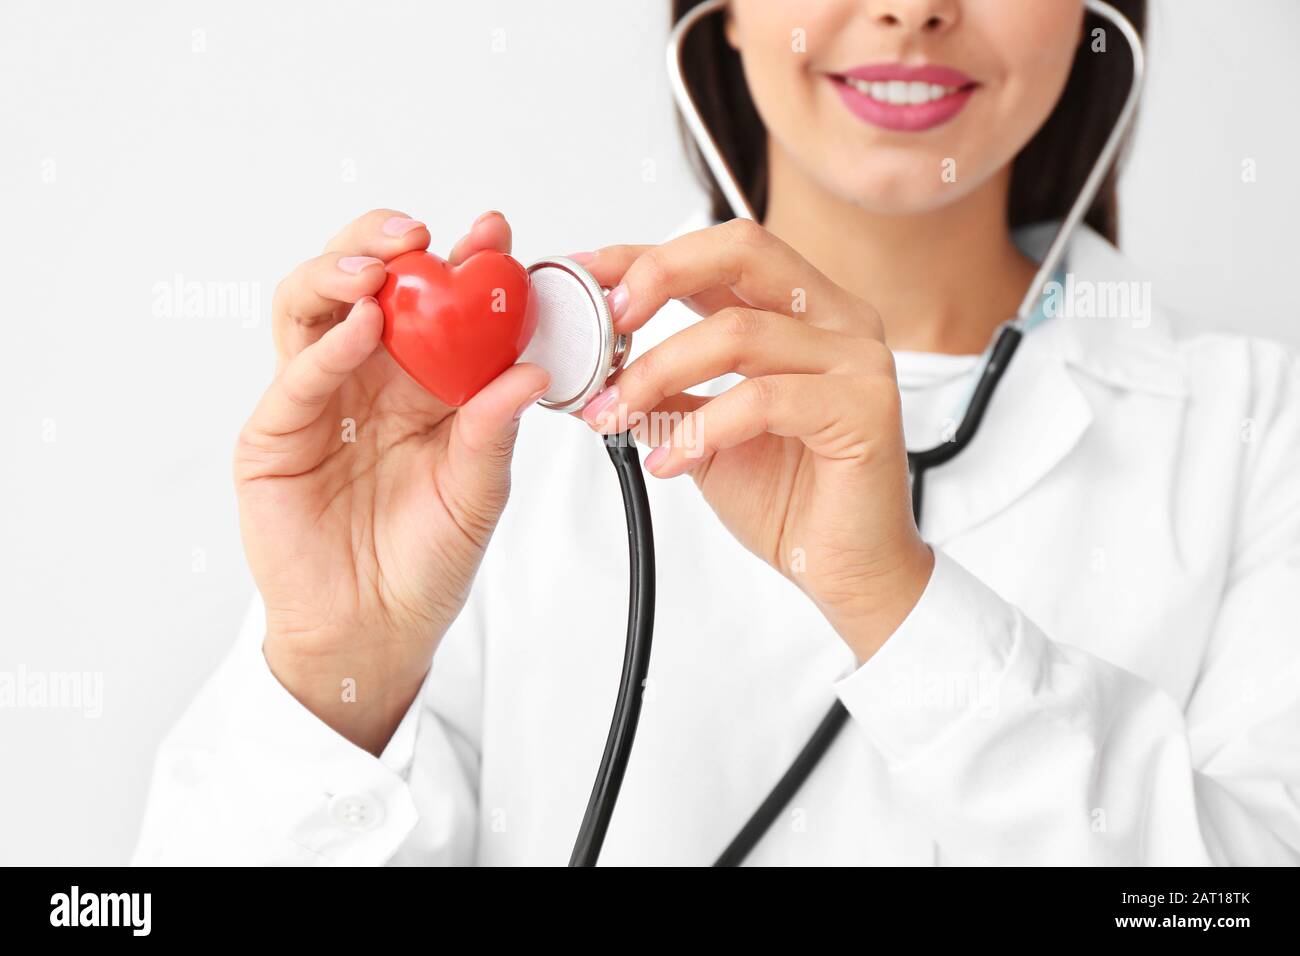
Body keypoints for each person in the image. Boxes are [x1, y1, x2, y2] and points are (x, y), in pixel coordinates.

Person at [133, 0, 1300, 865]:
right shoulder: (477, 423)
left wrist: (897, 603)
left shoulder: (1257, 435)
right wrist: (339, 673)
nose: (911, 11)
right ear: (720, 14)